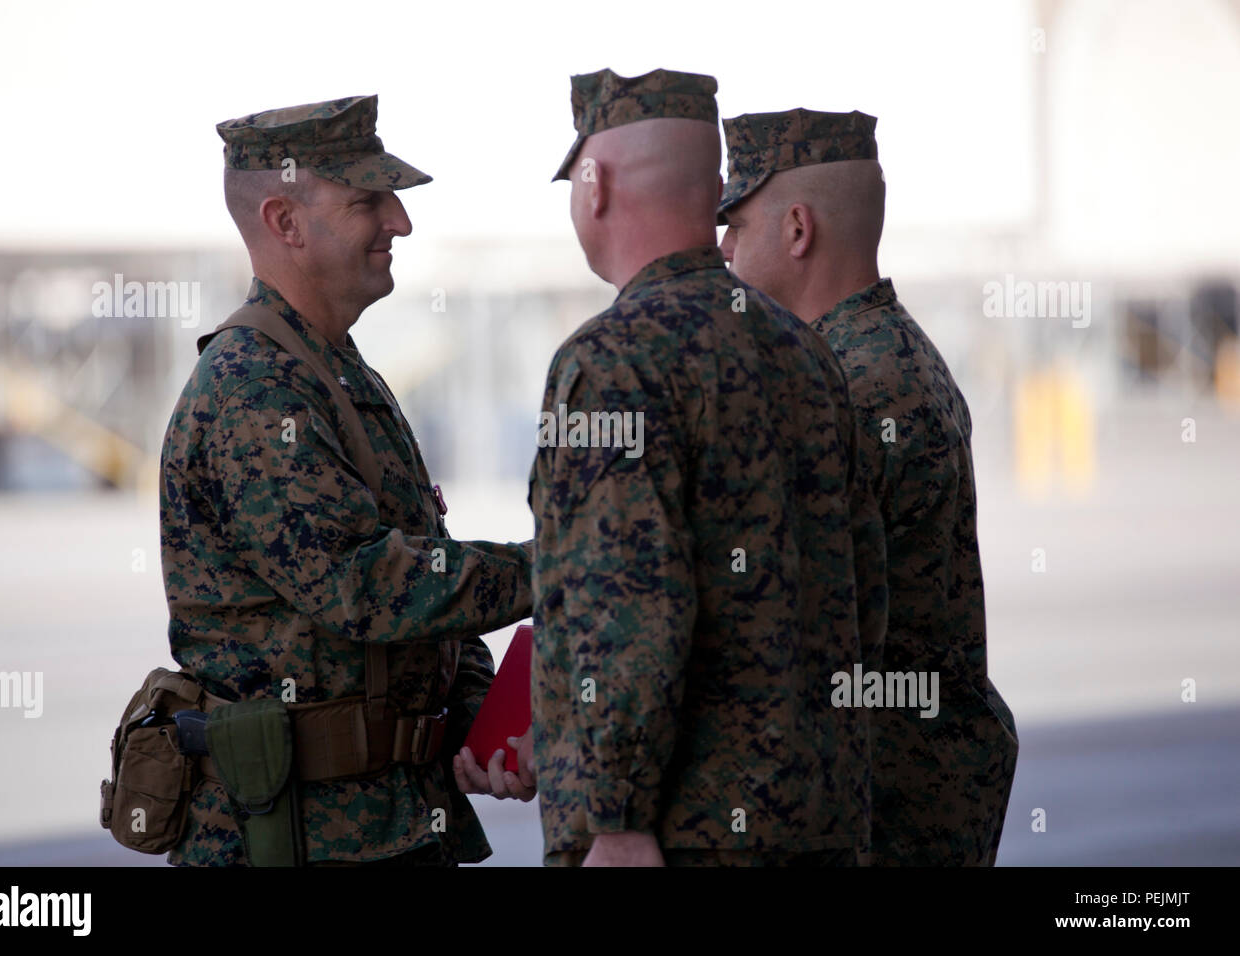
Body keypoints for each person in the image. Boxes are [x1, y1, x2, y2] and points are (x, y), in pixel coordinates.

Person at [160, 94, 533, 867]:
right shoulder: (254, 388)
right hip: (295, 837)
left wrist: (471, 717)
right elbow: (364, 585)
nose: (399, 223)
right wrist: (564, 565)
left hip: (388, 822)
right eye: (369, 201)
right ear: (286, 223)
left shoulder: (333, 374)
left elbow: (419, 573)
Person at [527, 69, 886, 867]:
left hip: (682, 836)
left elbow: (631, 607)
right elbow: (865, 591)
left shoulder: (612, 360)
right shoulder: (808, 351)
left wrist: (615, 818)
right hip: (817, 818)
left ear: (596, 186)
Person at [718, 107, 1019, 865]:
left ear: (796, 230)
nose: (722, 249)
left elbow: (781, 616)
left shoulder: (853, 385)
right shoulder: (877, 352)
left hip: (888, 798)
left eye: (737, 224)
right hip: (912, 776)